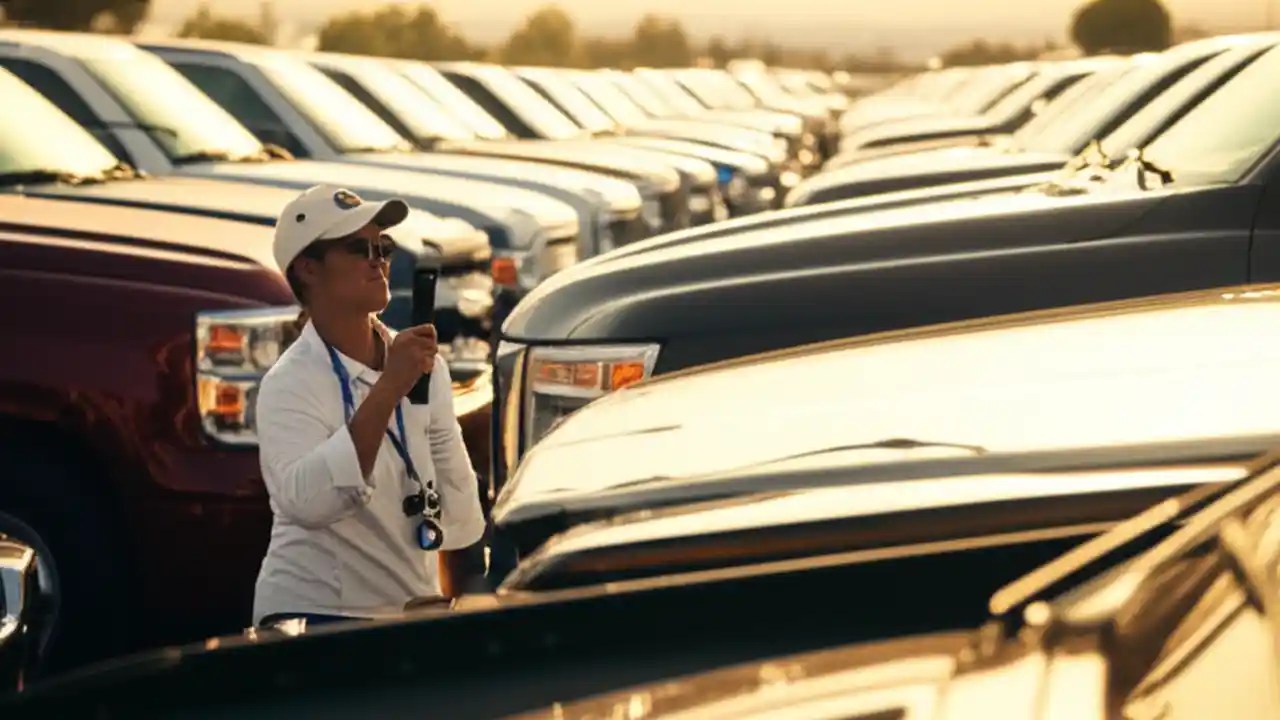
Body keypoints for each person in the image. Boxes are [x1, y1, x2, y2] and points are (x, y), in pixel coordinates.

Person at [252, 184, 485, 627]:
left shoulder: (421, 364)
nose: (378, 260)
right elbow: (308, 503)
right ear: (309, 269)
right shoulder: (287, 385)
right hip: (313, 615)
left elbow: (455, 490)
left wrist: (462, 617)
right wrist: (388, 389)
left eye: (384, 246)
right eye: (359, 248)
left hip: (409, 613)